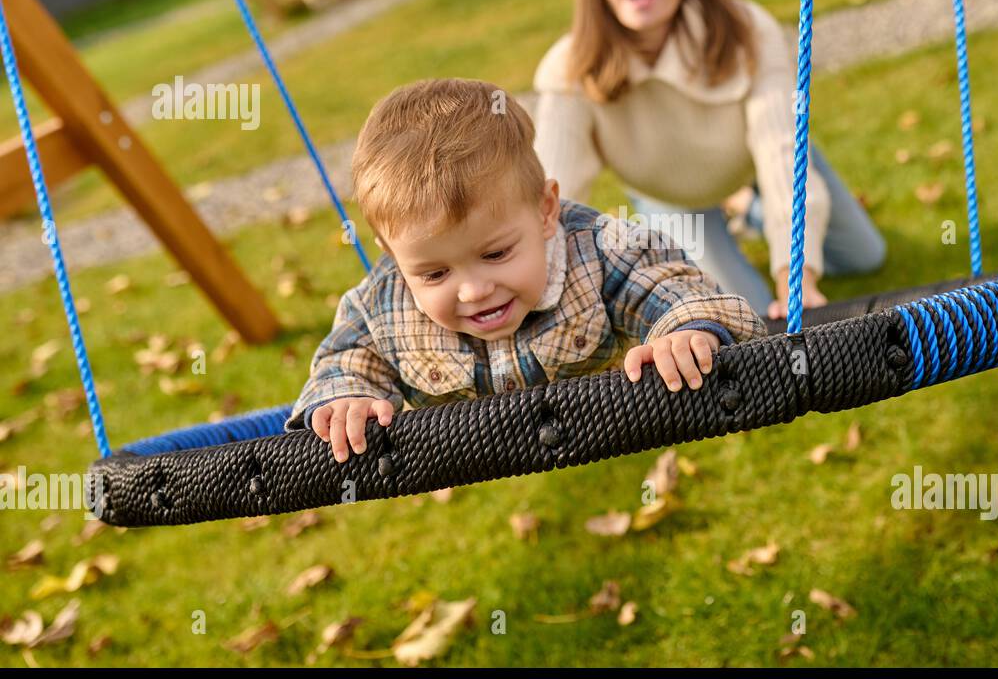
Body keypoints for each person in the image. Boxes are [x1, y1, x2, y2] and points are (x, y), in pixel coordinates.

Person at [284, 78, 767, 463]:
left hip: (601, 421)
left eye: (495, 255)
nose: (473, 290)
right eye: (434, 274)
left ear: (545, 211)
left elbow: (669, 286)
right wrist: (346, 399)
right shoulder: (382, 304)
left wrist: (684, 331)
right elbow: (346, 361)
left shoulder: (597, 252)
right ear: (391, 252)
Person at [532, 0, 886, 321]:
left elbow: (781, 158)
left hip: (753, 161)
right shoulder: (568, 68)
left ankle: (748, 207)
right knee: (748, 315)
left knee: (865, 256)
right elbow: (551, 199)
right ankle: (736, 212)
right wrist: (538, 301)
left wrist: (797, 278)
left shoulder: (748, 31)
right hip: (671, 198)